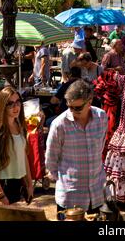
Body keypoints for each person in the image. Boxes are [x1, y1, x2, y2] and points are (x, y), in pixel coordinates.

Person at [45, 80, 108, 217]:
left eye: (78, 108)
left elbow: (100, 148)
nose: (73, 111)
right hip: (70, 197)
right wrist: (65, 181)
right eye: (70, 107)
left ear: (90, 101)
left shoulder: (102, 117)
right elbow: (51, 159)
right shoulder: (59, 125)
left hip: (96, 194)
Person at [0, 86, 33, 205]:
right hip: (2, 184)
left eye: (18, 102)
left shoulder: (19, 124)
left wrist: (29, 184)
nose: (15, 107)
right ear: (2, 105)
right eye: (10, 103)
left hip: (17, 183)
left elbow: (23, 156)